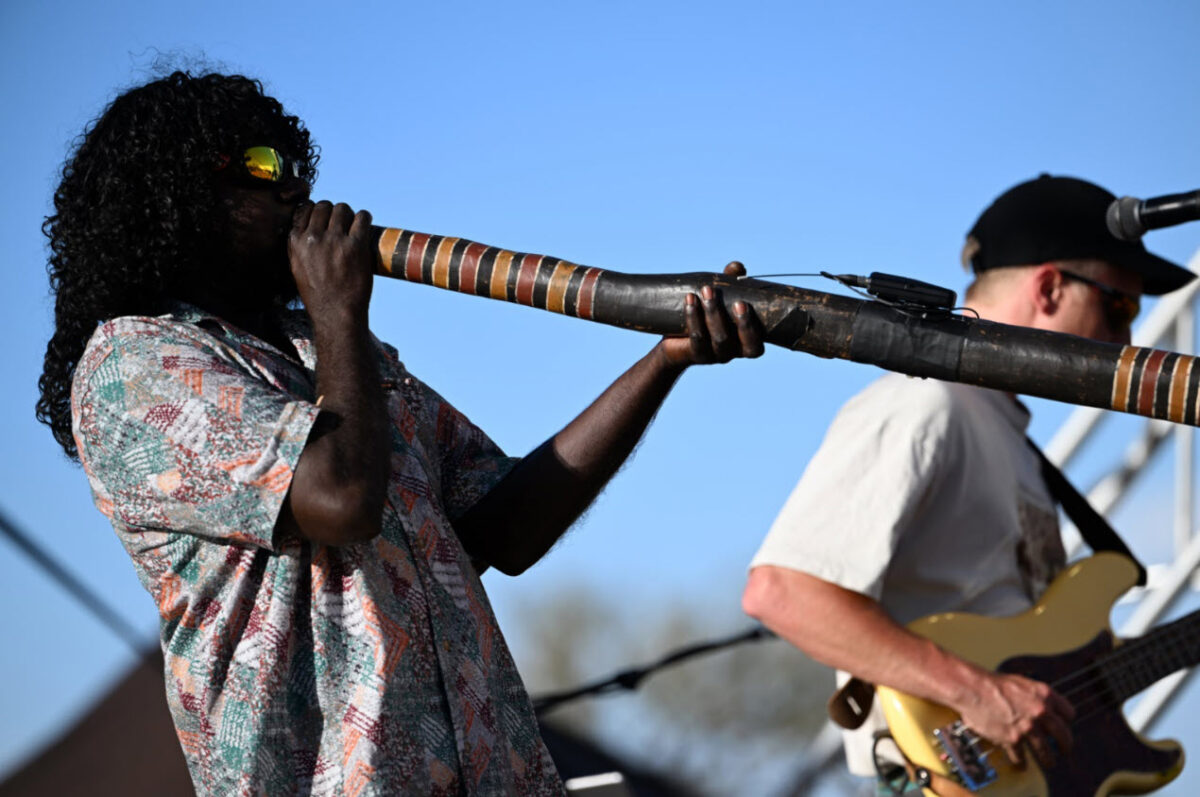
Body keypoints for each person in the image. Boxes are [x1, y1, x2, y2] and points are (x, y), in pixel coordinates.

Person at [37, 71, 764, 796]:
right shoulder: (132, 365)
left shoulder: (337, 351)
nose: (293, 189)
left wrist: (666, 359)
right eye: (260, 167)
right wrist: (340, 311)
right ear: (175, 200)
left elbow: (504, 526)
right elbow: (340, 496)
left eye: (296, 168)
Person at [741, 174, 1195, 791]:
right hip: (934, 772)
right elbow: (783, 592)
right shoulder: (928, 406)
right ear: (1050, 286)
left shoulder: (1004, 433)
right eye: (1119, 307)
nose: (1128, 339)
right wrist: (976, 693)